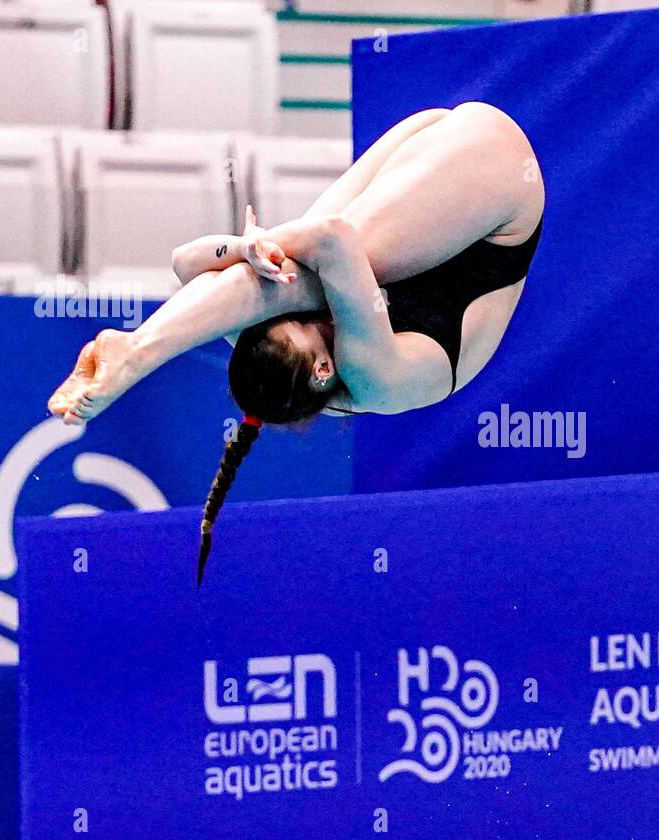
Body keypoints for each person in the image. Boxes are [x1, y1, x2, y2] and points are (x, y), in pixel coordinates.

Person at [46, 102, 545, 582]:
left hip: (425, 140)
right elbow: (331, 239)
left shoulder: (295, 352)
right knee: (302, 276)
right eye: (307, 325)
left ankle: (135, 345)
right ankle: (134, 354)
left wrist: (247, 249)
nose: (316, 315)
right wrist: (270, 249)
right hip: (498, 173)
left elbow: (183, 263)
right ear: (324, 369)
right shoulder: (379, 379)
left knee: (281, 280)